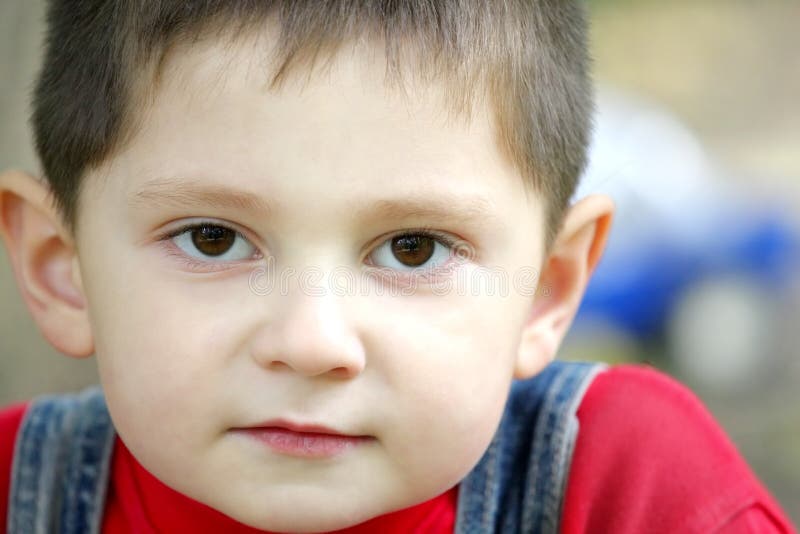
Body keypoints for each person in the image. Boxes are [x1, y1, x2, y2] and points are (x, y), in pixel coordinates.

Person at [0, 1, 794, 532]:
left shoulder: (629, 488)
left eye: (413, 249)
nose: (311, 343)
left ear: (545, 293)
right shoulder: (17, 489)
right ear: (58, 267)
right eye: (213, 239)